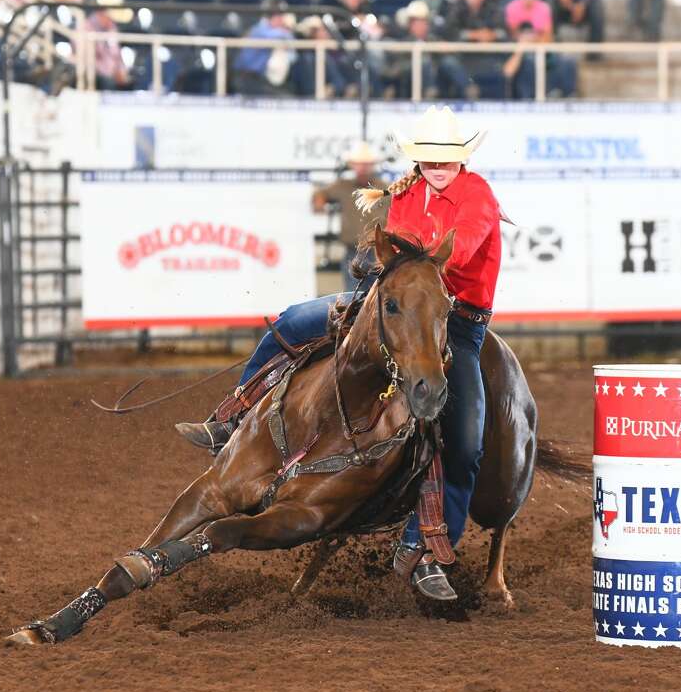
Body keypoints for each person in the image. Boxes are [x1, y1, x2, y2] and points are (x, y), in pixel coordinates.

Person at [175, 106, 504, 602]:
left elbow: (452, 254)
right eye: (429, 159)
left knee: (465, 442)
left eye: (447, 159)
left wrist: (403, 262)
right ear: (419, 159)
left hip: (451, 321)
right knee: (292, 321)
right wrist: (381, 263)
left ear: (462, 160)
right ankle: (234, 414)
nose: (438, 167)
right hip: (391, 305)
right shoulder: (406, 193)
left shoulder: (476, 196)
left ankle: (426, 549)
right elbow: (395, 253)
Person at [313, 142, 390, 291]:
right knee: (353, 297)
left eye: (366, 164)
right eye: (359, 164)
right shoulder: (343, 186)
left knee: (378, 296)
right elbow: (320, 194)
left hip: (379, 251)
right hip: (353, 250)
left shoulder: (385, 188)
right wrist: (319, 202)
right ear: (353, 165)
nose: (362, 168)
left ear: (372, 165)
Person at [503, 0, 578, 98]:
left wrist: (532, 39)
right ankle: (528, 98)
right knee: (528, 62)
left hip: (541, 48)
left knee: (568, 62)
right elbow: (512, 35)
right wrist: (526, 41)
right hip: (518, 49)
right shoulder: (511, 7)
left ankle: (567, 97)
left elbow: (548, 37)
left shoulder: (544, 7)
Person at [442, 0, 509, 98]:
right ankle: (470, 89)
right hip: (463, 56)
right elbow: (450, 33)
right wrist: (474, 35)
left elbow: (503, 33)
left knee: (502, 68)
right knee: (448, 63)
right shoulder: (456, 7)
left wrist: (491, 35)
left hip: (487, 56)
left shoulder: (492, 7)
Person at [231, 0, 297, 96]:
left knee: (288, 93)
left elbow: (292, 54)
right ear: (274, 17)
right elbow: (281, 36)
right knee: (282, 97)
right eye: (280, 17)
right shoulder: (259, 30)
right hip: (244, 78)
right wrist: (286, 30)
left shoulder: (275, 32)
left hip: (259, 78)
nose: (282, 20)